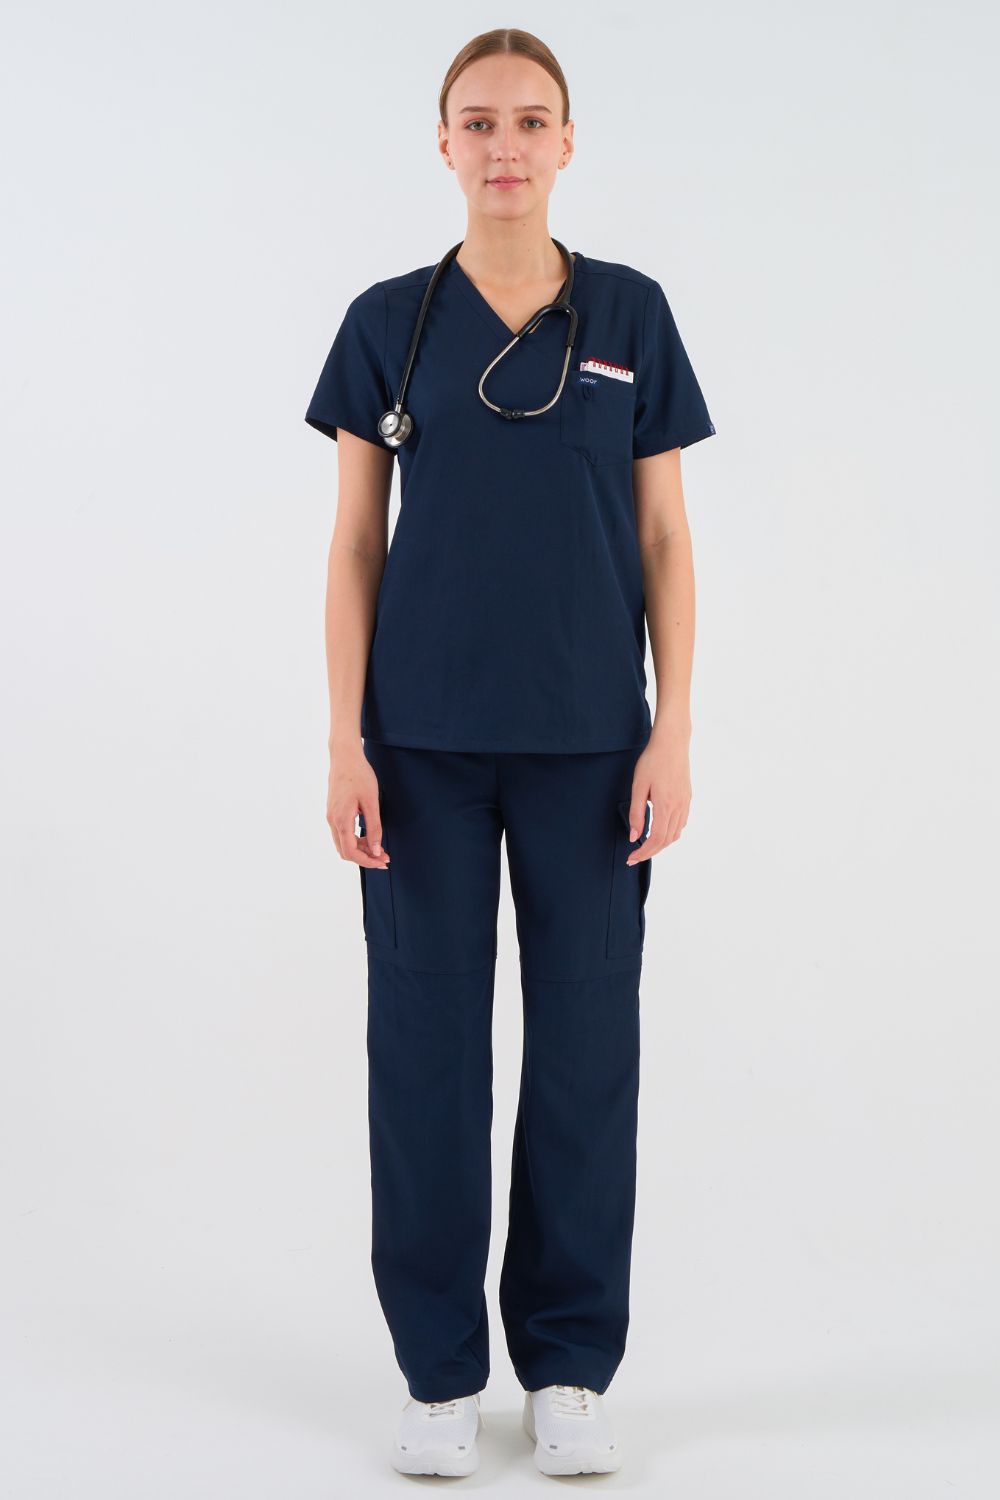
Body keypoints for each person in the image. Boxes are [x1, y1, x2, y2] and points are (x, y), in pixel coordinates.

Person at [304, 27, 716, 1480]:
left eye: (531, 121)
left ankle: (569, 1366)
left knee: (588, 1055)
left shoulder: (630, 314)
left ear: (567, 141)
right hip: (418, 749)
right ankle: (436, 1374)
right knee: (424, 1056)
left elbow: (664, 539)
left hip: (592, 750)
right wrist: (345, 738)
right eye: (478, 122)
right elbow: (355, 547)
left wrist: (674, 724)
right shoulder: (388, 324)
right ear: (443, 143)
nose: (505, 146)